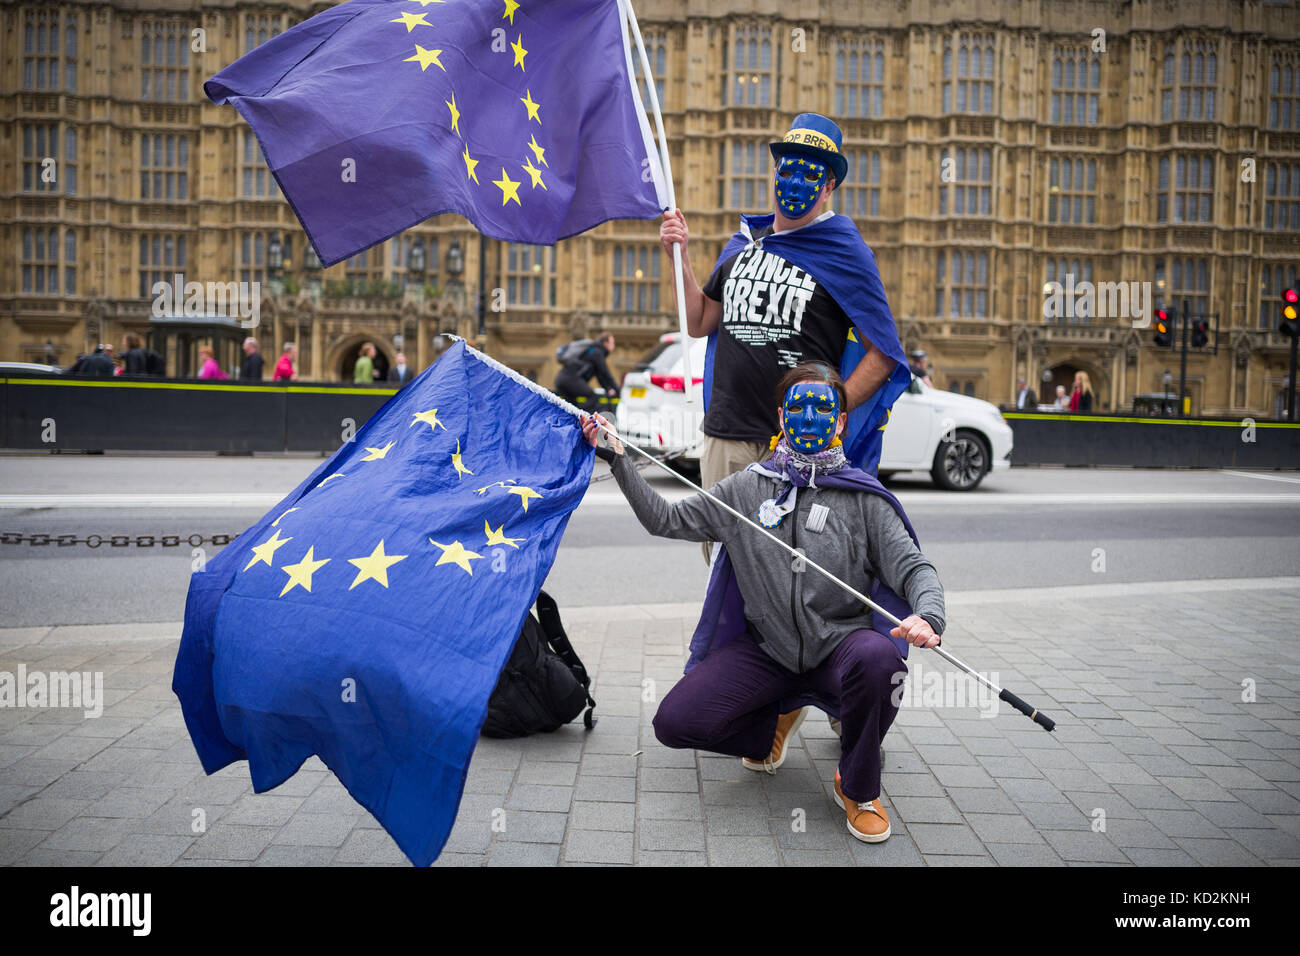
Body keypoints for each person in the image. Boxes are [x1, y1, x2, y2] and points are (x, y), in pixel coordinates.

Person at [580, 361, 946, 843]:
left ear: (840, 421)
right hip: (767, 651)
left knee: (882, 662)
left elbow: (915, 569)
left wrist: (928, 614)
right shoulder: (746, 488)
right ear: (780, 417)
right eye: (798, 407)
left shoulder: (864, 500)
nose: (810, 417)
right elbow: (665, 520)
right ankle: (774, 721)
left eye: (823, 408)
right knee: (675, 722)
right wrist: (619, 459)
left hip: (839, 650)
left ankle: (857, 784)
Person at [658, 112, 905, 498]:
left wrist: (830, 414)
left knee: (790, 555)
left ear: (829, 186)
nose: (794, 183)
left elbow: (883, 353)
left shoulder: (843, 250)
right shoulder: (745, 242)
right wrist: (680, 256)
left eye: (810, 175)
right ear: (774, 173)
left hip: (800, 443)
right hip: (727, 433)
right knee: (724, 552)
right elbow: (700, 319)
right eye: (788, 170)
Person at [553, 331, 618, 405]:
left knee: (570, 405)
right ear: (605, 343)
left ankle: (575, 415)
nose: (614, 346)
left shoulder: (592, 350)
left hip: (561, 379)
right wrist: (618, 390)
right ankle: (582, 416)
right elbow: (605, 373)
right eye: (612, 343)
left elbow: (600, 376)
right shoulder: (597, 352)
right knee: (593, 398)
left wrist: (607, 388)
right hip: (570, 380)